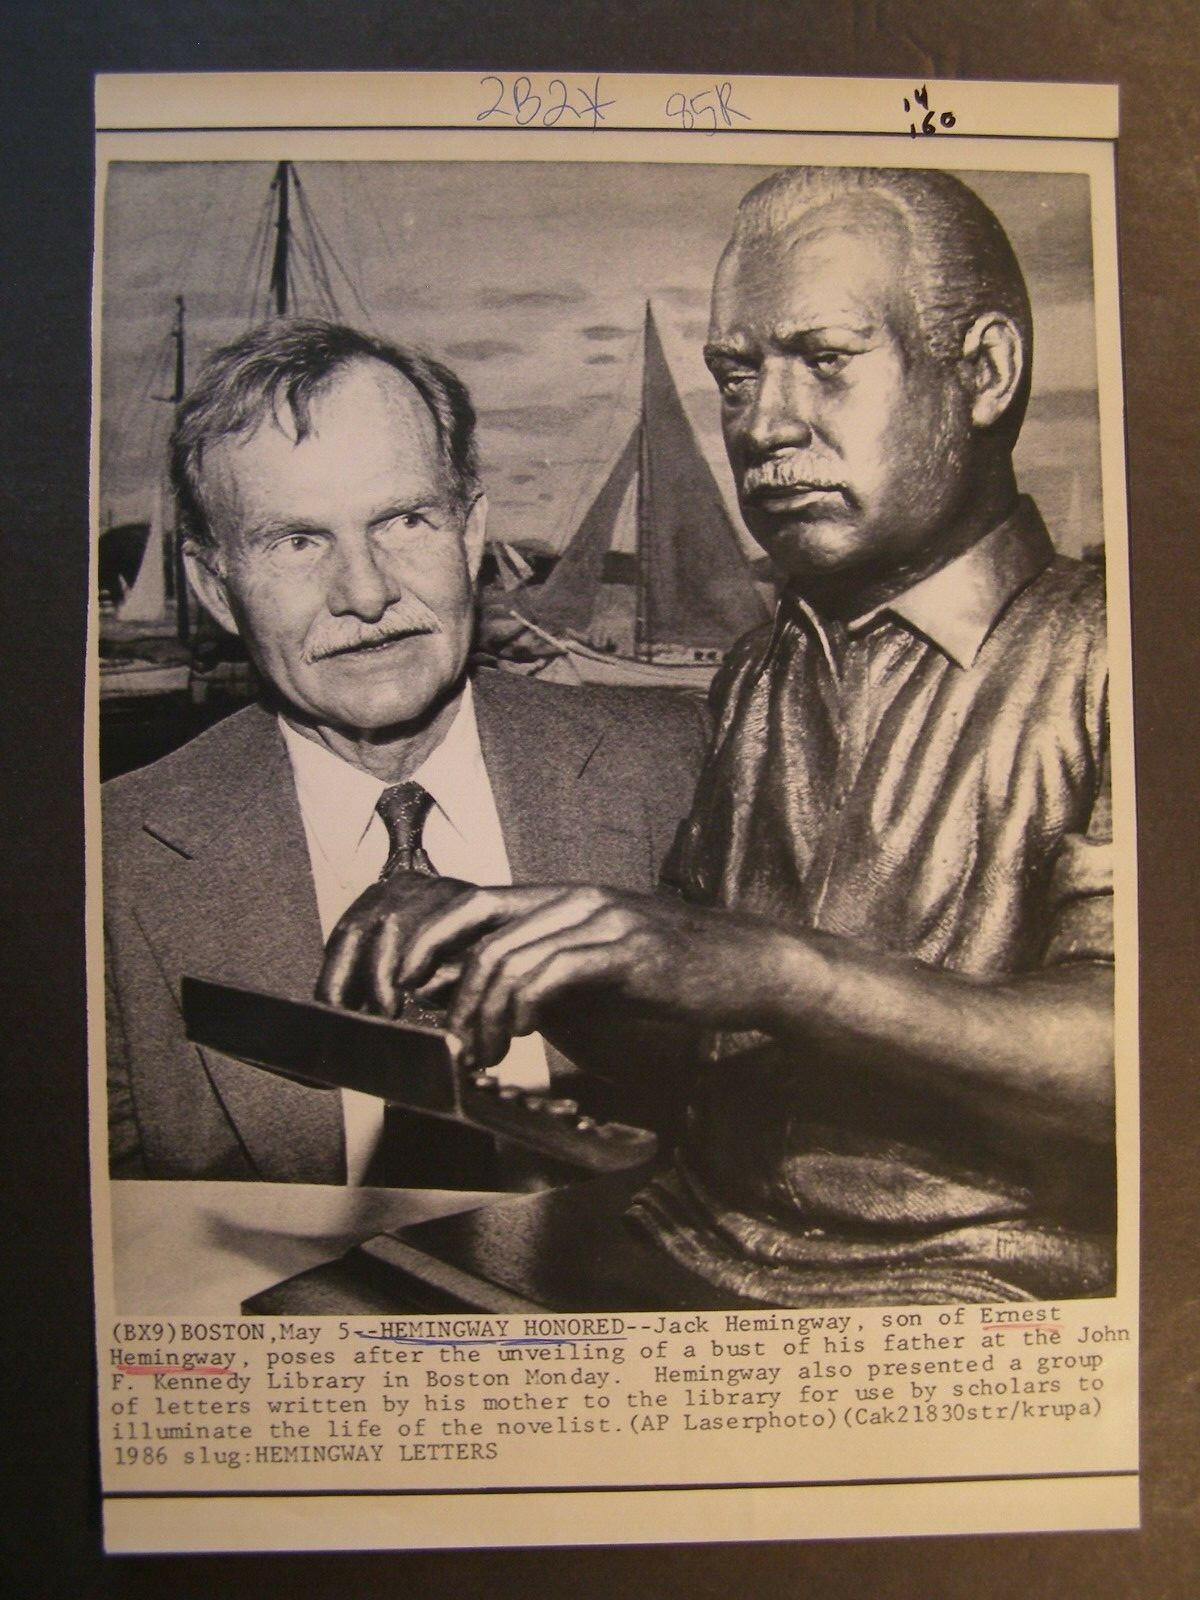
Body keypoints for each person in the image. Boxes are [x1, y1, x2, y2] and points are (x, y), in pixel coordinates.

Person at [323, 169, 1115, 1304]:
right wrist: (505, 947)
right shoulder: (759, 670)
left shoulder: (1119, 657)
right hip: (692, 1231)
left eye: (827, 359)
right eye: (735, 375)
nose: (763, 424)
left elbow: (1136, 1056)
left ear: (982, 371)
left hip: (978, 1289)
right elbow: (696, 1040)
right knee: (346, 1334)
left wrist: (763, 970)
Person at [103, 318, 707, 1182]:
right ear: (214, 587)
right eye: (297, 541)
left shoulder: (673, 770)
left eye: (405, 521)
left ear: (469, 538)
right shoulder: (110, 862)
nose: (367, 592)